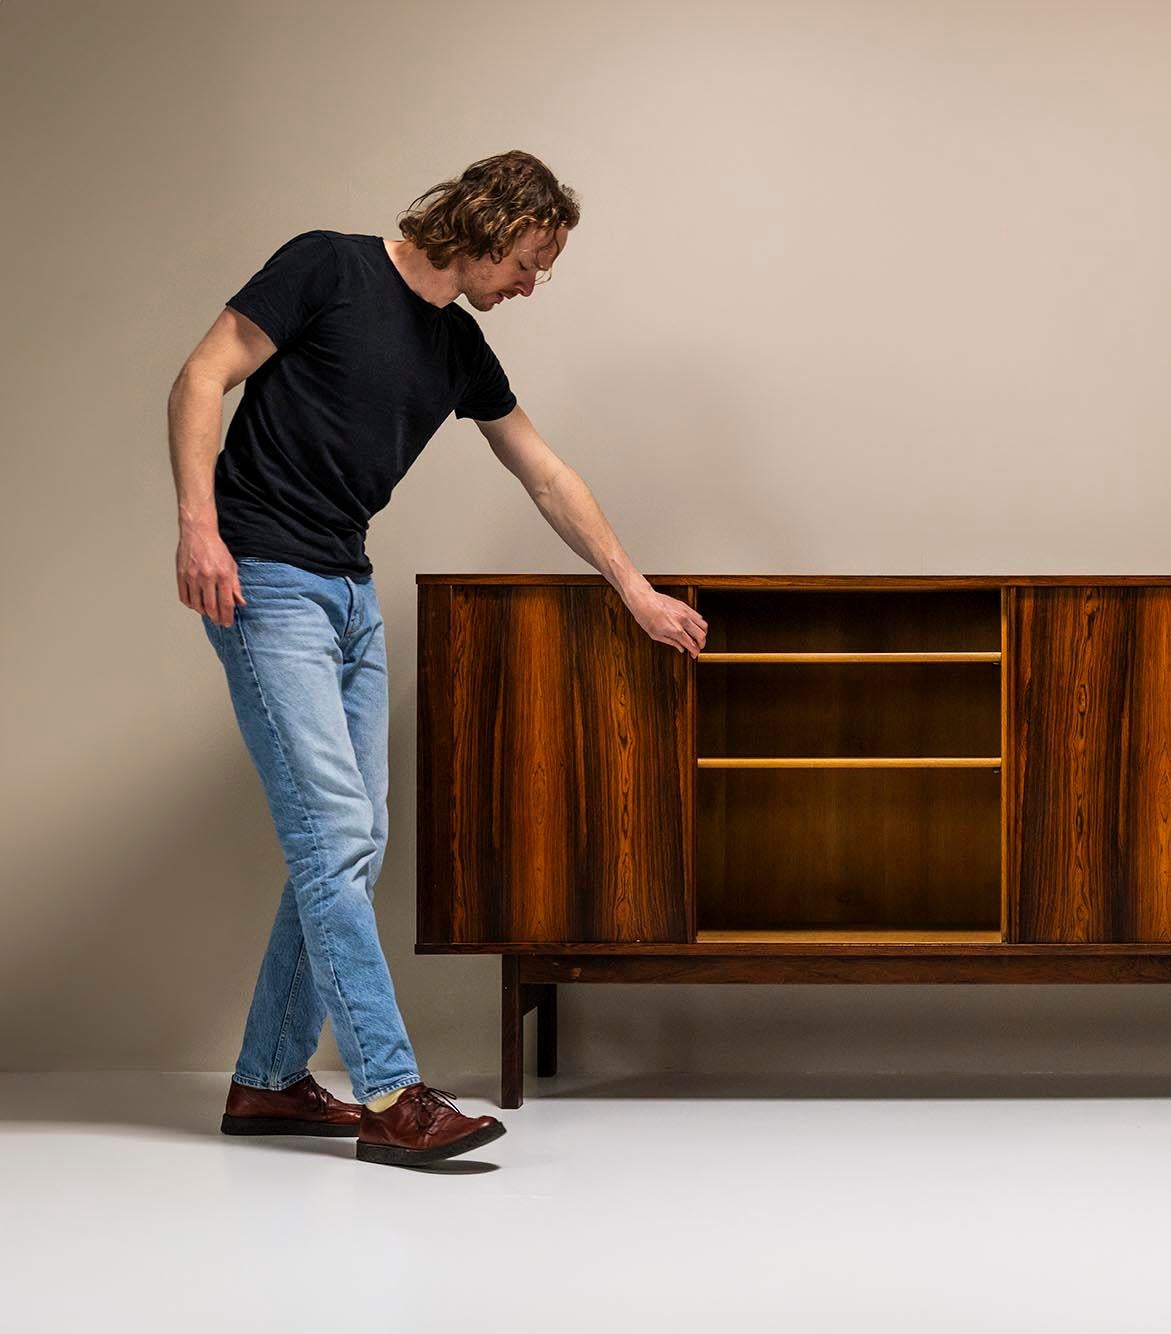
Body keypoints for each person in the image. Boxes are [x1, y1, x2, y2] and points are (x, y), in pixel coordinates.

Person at [167, 150, 707, 1168]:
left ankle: (269, 1078)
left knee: (352, 838)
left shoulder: (459, 348)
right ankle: (388, 1090)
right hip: (264, 580)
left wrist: (630, 586)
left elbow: (542, 471)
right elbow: (205, 372)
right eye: (532, 260)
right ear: (494, 225)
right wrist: (199, 523)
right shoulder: (326, 267)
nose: (532, 285)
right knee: (334, 833)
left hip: (347, 593)